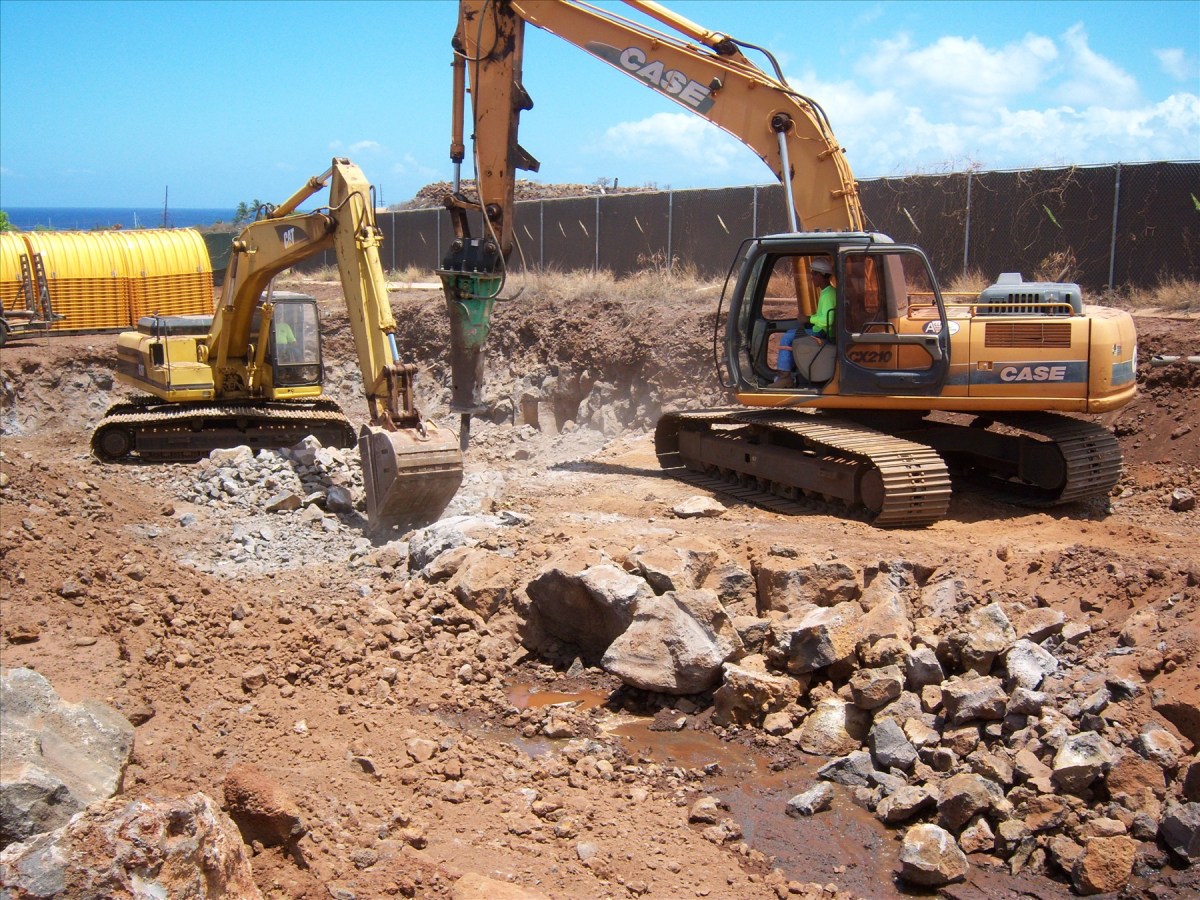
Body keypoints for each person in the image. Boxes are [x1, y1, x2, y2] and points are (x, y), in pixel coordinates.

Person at [773, 257, 835, 386]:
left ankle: (784, 377)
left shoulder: (828, 295)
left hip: (822, 333)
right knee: (791, 332)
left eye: (814, 274)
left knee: (787, 338)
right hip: (820, 330)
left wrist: (808, 319)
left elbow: (827, 320)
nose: (811, 277)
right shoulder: (827, 292)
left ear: (822, 275)